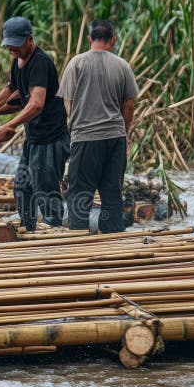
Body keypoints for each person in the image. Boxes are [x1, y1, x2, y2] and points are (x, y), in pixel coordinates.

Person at [0, 16, 69, 231]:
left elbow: (36, 104)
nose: (12, 49)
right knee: (22, 187)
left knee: (45, 190)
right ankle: (29, 228)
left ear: (30, 39)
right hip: (33, 138)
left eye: (16, 44)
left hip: (50, 140)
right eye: (9, 45)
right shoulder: (18, 61)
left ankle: (54, 232)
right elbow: (11, 96)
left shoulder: (40, 63)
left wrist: (10, 125)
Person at [57, 19, 138, 233]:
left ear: (89, 38)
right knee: (112, 193)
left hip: (85, 139)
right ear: (113, 39)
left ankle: (79, 240)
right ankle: (114, 239)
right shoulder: (123, 66)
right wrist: (124, 133)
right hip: (114, 139)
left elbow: (69, 103)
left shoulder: (76, 63)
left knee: (79, 194)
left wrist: (76, 128)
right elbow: (128, 105)